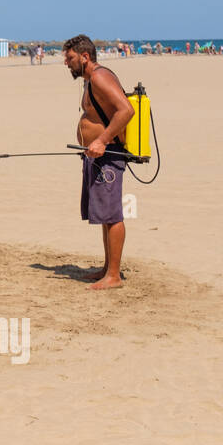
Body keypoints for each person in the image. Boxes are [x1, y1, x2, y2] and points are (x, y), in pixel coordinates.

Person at [63, 33, 135, 291]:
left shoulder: (99, 77)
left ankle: (114, 276)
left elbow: (126, 110)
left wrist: (102, 140)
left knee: (112, 214)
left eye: (69, 58)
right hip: (96, 155)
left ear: (84, 57)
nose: (66, 63)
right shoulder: (89, 80)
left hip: (109, 155)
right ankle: (107, 269)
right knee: (104, 214)